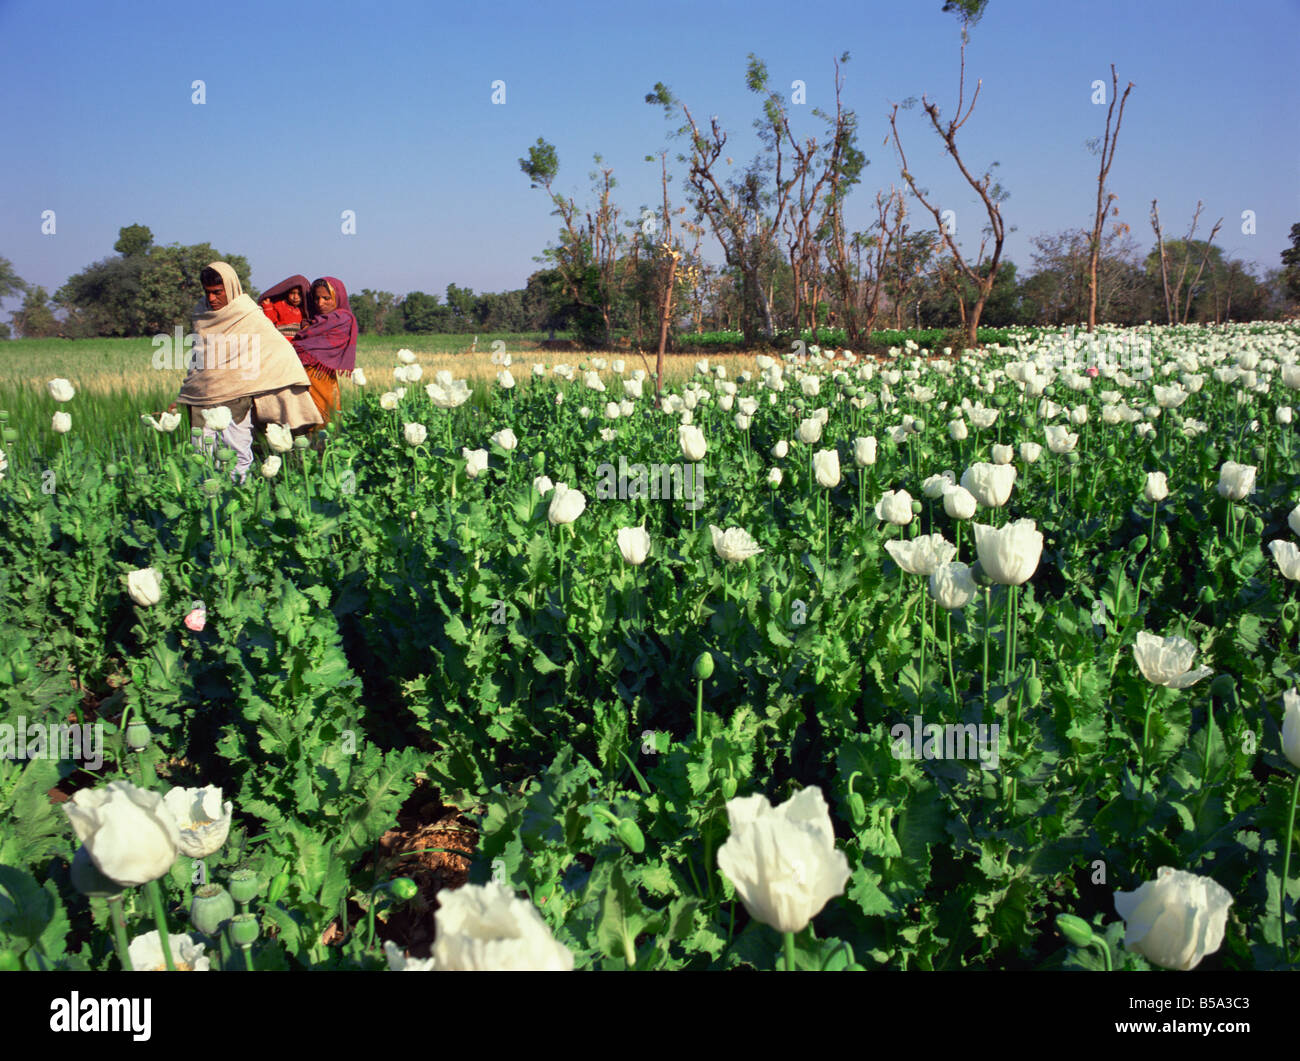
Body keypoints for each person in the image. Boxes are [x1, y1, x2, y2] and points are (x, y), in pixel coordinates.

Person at [171, 262, 323, 479]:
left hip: (236, 397)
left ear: (231, 288)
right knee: (202, 455)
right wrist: (184, 393)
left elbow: (277, 348)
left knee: (238, 453)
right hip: (202, 398)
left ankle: (239, 500)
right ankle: (209, 505)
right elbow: (198, 357)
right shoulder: (201, 312)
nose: (212, 299)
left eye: (217, 292)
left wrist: (289, 377)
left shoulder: (247, 314)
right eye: (208, 293)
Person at [290, 276, 357, 433]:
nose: (320, 303)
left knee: (326, 420)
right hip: (302, 377)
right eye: (317, 298)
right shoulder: (313, 322)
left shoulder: (342, 319)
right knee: (305, 418)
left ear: (337, 297)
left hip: (322, 377)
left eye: (326, 298)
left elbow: (312, 346)